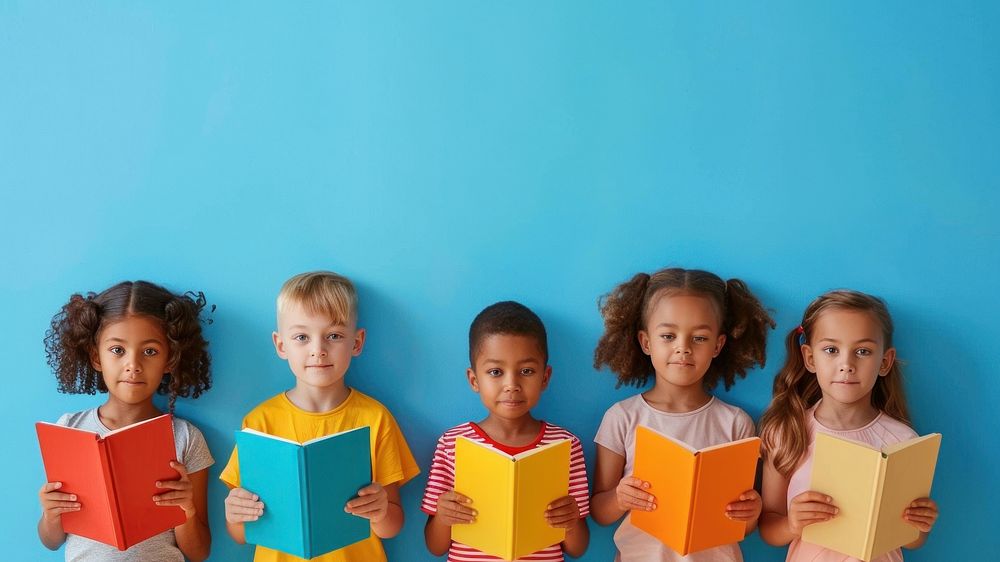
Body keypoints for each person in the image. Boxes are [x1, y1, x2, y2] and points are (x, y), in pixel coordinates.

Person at [220, 270, 420, 562]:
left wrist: (380, 510)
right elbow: (239, 535)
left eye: (334, 335)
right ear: (280, 345)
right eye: (302, 336)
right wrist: (234, 514)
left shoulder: (375, 418)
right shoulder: (259, 423)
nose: (318, 350)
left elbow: (392, 527)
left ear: (357, 342)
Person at [591, 267, 774, 561]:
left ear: (718, 345)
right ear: (646, 342)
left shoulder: (736, 423)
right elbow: (600, 512)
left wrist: (751, 512)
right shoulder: (622, 417)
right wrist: (620, 497)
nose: (683, 348)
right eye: (668, 335)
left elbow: (744, 524)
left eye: (699, 338)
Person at [38, 280, 215, 561]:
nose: (133, 365)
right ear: (96, 357)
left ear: (170, 360)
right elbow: (51, 541)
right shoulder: (69, 429)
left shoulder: (184, 437)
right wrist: (51, 513)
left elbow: (198, 551)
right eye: (117, 350)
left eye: (150, 351)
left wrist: (186, 510)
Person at [758, 290, 939, 561]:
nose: (846, 364)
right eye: (831, 350)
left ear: (885, 362)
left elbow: (914, 540)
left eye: (863, 351)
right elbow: (768, 528)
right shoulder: (787, 432)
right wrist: (792, 524)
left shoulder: (903, 440)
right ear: (809, 358)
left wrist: (920, 523)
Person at [422, 301, 590, 561]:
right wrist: (443, 517)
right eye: (495, 372)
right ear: (474, 380)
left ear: (544, 378)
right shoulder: (453, 443)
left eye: (526, 371)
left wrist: (570, 521)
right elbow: (435, 546)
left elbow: (577, 548)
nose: (511, 385)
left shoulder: (565, 445)